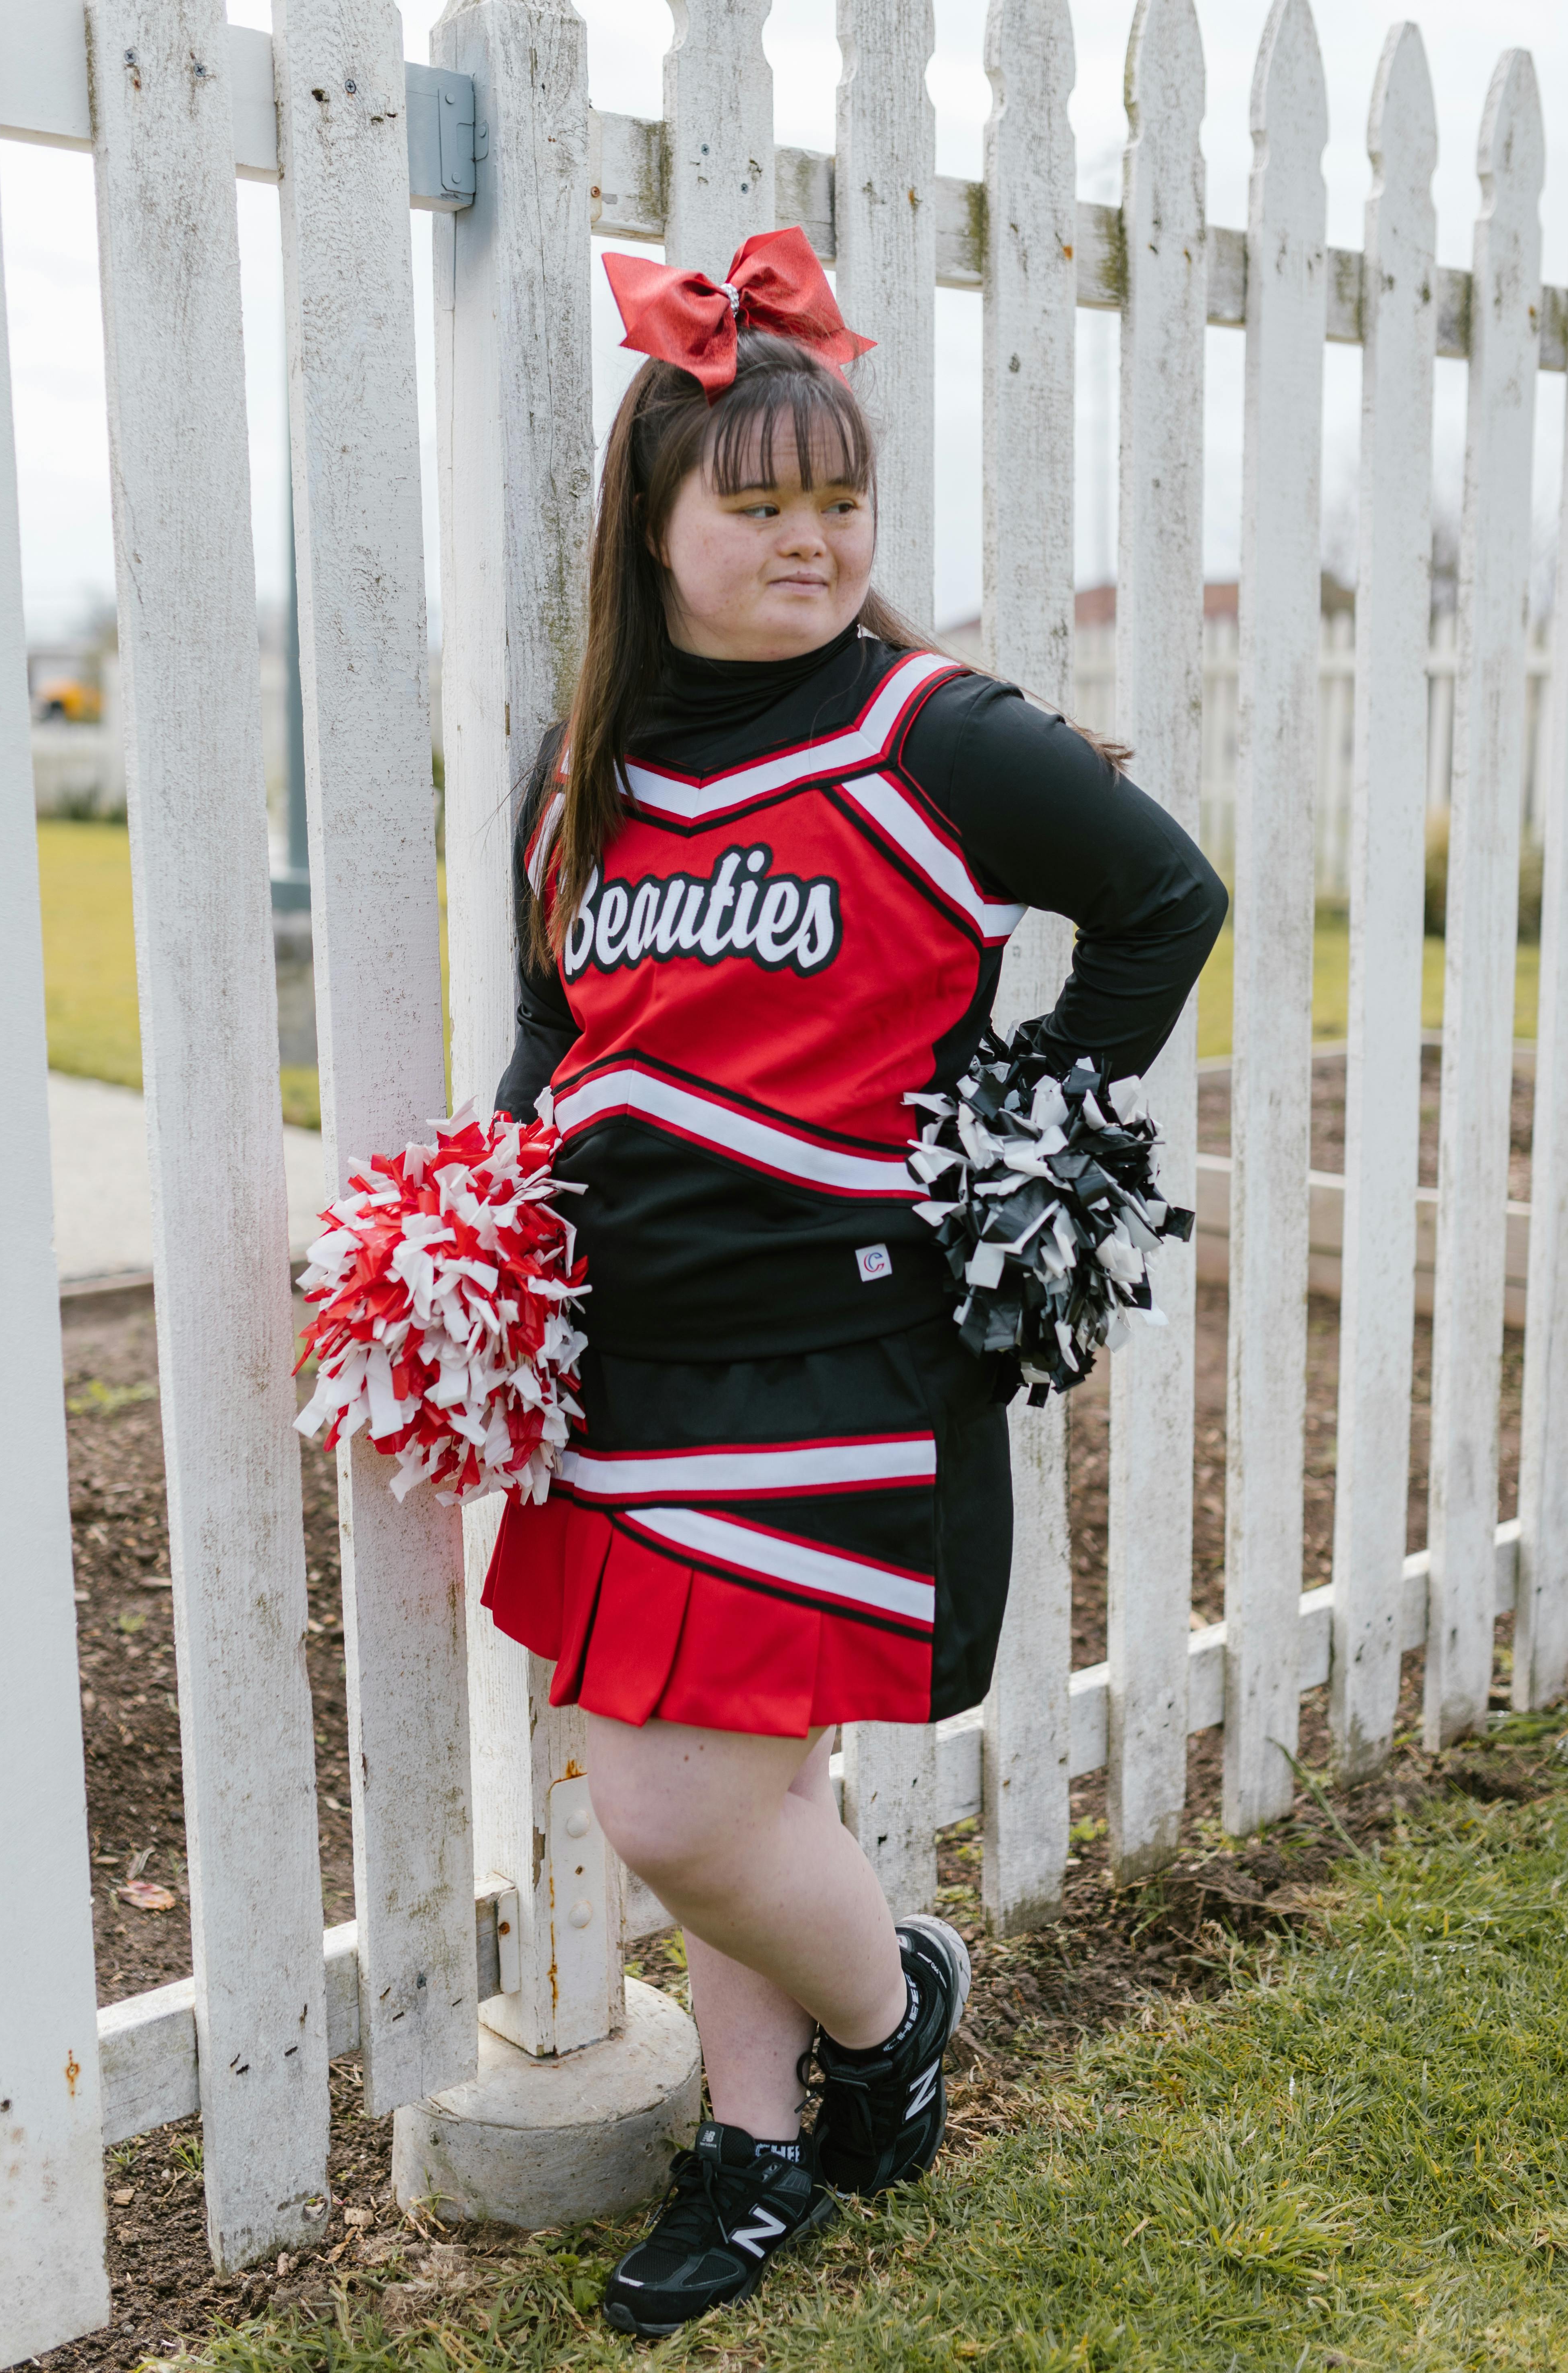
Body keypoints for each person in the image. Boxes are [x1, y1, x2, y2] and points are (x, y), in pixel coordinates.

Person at [483, 226, 1226, 2337]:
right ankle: (765, 2144)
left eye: (840, 504)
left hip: (843, 1361)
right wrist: (510, 1188)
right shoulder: (591, 771)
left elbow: (1167, 901)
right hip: (636, 1360)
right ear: (658, 524)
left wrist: (1027, 1115)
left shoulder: (934, 735)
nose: (809, 541)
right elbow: (560, 1025)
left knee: (671, 1803)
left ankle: (892, 2012)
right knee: (741, 1789)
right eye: (759, 502)